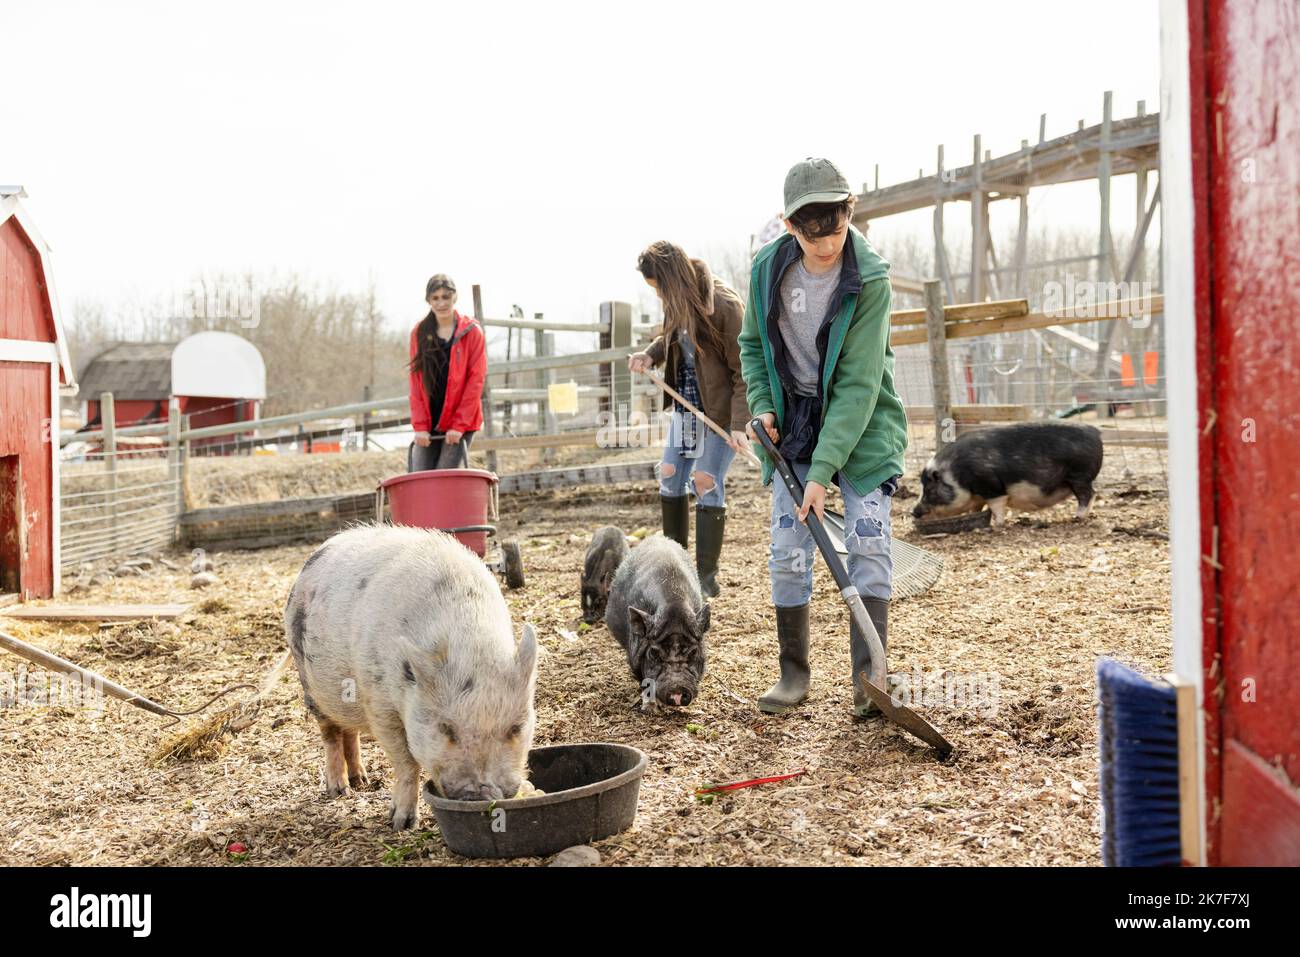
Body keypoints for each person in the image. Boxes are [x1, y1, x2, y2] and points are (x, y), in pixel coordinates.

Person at [738, 158, 908, 716]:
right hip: (794, 421)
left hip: (861, 426)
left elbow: (859, 386)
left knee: (868, 542)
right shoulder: (768, 269)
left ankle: (869, 679)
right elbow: (755, 349)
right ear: (790, 226)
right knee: (789, 551)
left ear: (849, 212)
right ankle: (793, 673)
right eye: (814, 235)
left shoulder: (871, 278)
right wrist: (764, 406)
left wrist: (820, 474)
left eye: (837, 228)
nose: (828, 244)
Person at [628, 241, 749, 598]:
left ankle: (705, 578)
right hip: (688, 409)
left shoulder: (724, 306)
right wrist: (650, 355)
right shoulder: (676, 301)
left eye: (658, 288)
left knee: (705, 480)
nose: (658, 295)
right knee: (669, 476)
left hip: (721, 413)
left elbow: (746, 371)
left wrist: (741, 425)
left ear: (672, 279)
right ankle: (674, 569)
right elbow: (672, 341)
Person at [408, 274, 487, 471]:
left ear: (455, 298)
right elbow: (416, 383)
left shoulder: (471, 332)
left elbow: (475, 381)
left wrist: (459, 425)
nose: (441, 303)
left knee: (445, 477)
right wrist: (420, 426)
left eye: (446, 297)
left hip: (460, 421)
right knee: (420, 478)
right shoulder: (419, 332)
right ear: (428, 300)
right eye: (435, 298)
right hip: (430, 419)